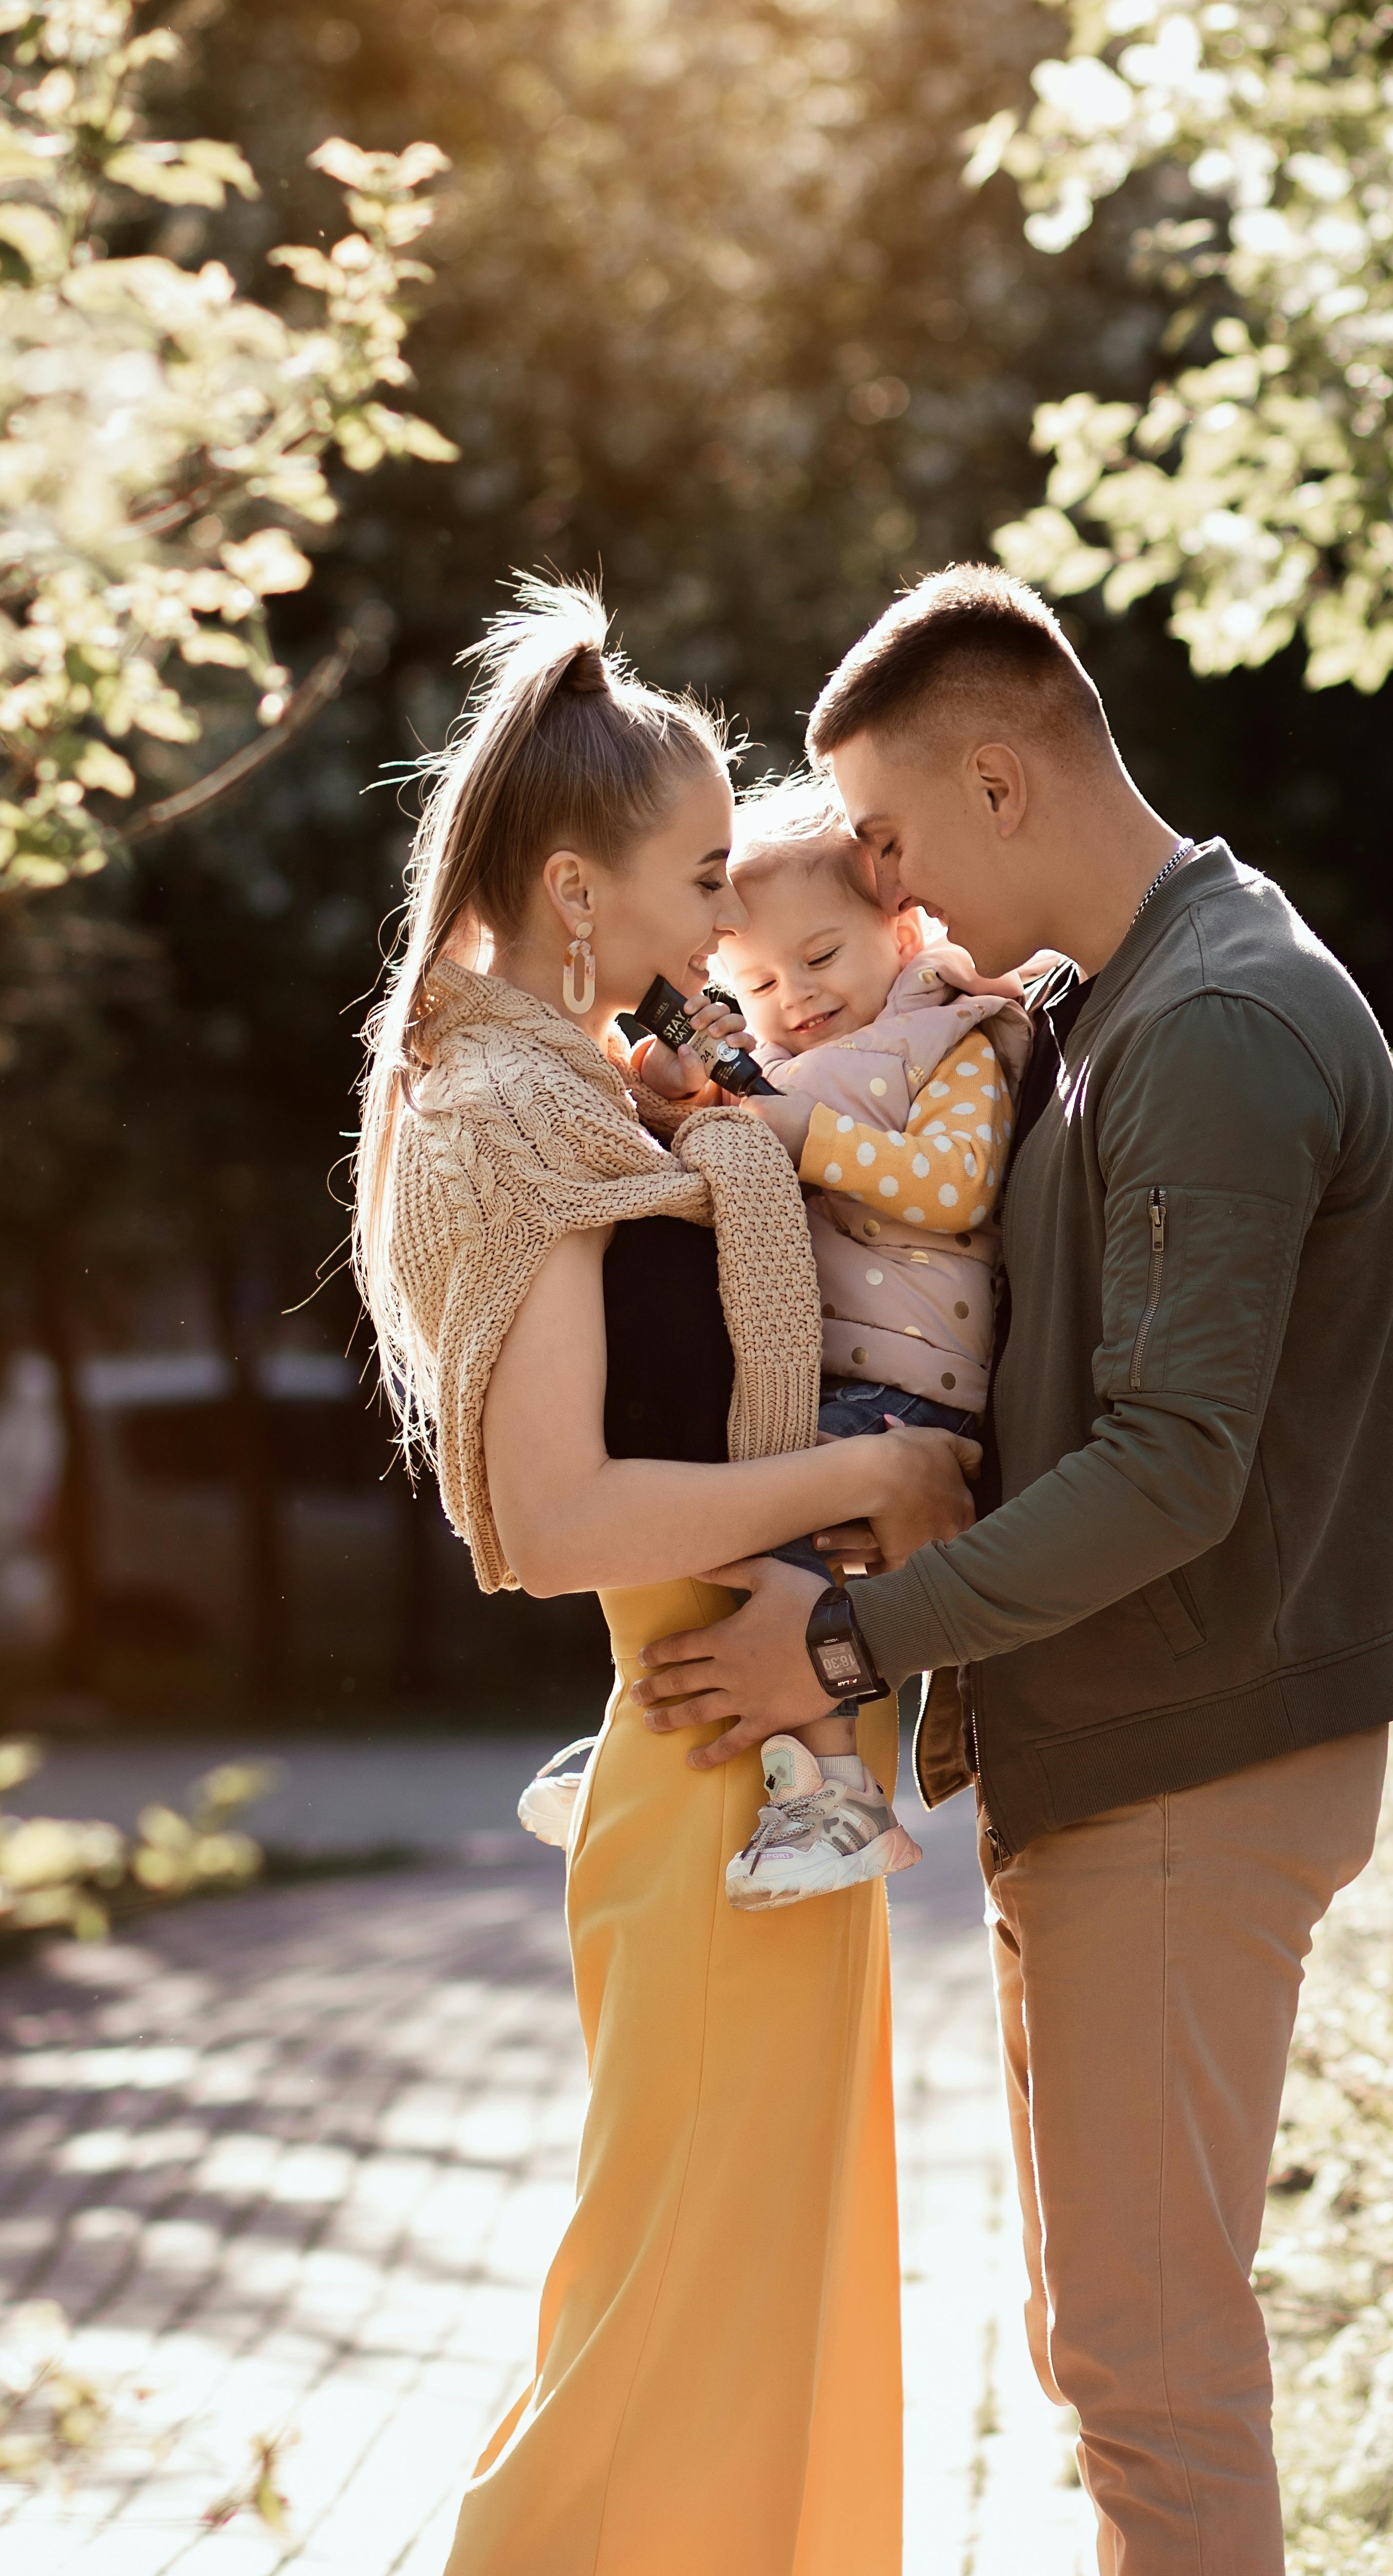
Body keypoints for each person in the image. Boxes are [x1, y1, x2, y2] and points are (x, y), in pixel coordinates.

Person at [631, 566, 1393, 2575]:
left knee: (1147, 2367)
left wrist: (847, 1635)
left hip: (1189, 1759)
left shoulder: (1218, 1020)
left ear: (999, 782)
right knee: (1107, 2348)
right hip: (1117, 1746)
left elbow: (1172, 1469)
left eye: (885, 840)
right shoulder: (1091, 1005)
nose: (883, 895)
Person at [351, 575, 977, 2576]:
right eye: (706, 875)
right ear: (571, 889)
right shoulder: (509, 1116)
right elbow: (545, 1522)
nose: (729, 924)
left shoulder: (565, 1082)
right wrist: (881, 1468)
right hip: (716, 1763)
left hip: (768, 1751)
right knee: (655, 2365)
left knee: (763, 2333)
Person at [710, 774, 1029, 1906]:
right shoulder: (784, 1075)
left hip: (916, 1395)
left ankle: (837, 1795)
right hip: (829, 1386)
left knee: (767, 1538)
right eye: (756, 981)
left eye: (821, 957)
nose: (793, 997)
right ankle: (661, 1749)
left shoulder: (951, 1038)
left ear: (901, 931)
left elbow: (953, 1187)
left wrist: (801, 1133)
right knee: (687, 1503)